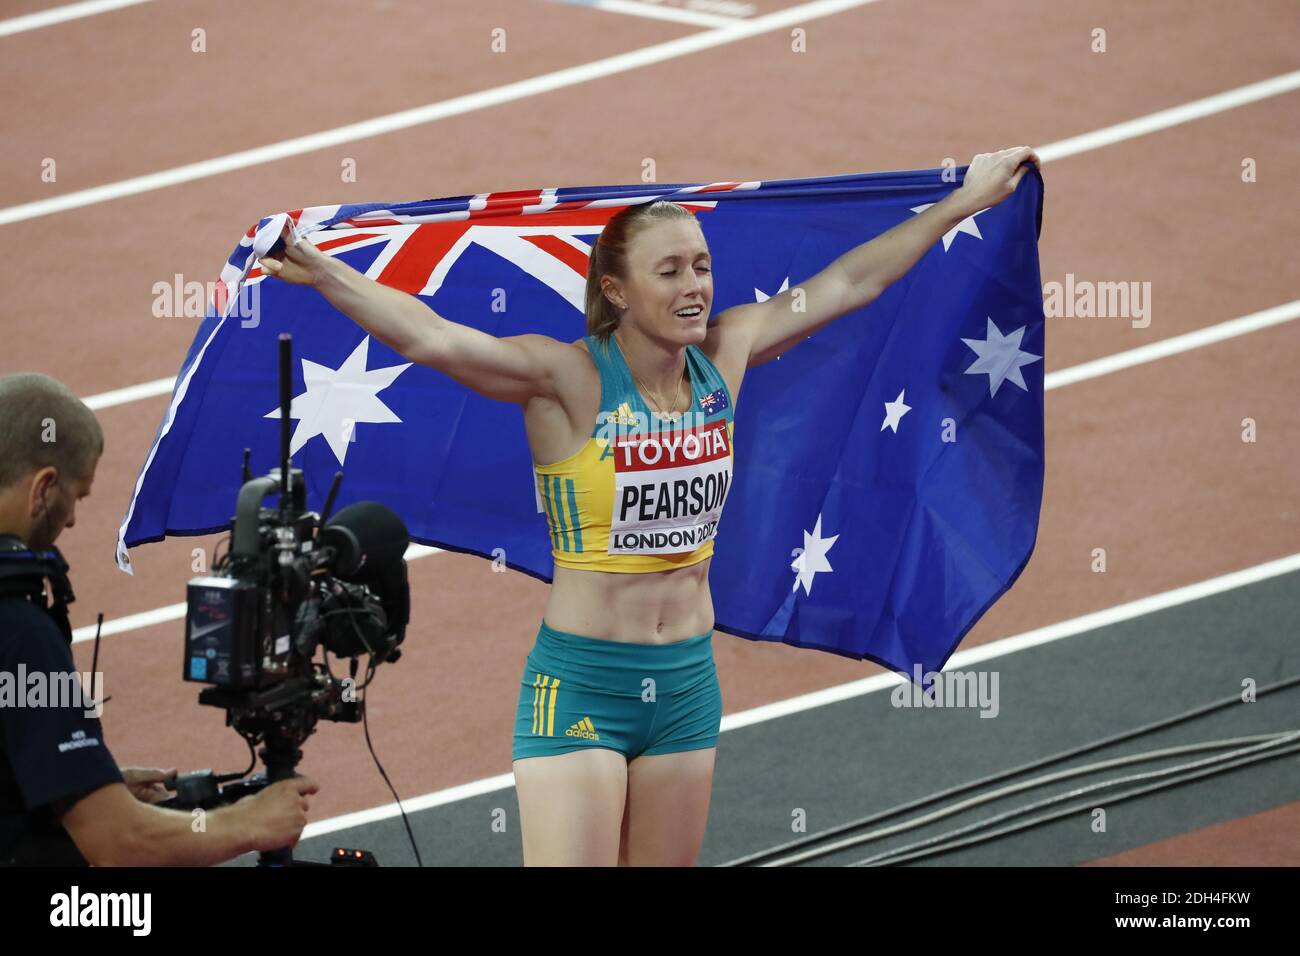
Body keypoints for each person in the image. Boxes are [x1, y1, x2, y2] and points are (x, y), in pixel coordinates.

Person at [259, 147, 1041, 865]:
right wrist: (323, 271)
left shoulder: (725, 354)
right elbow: (434, 339)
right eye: (669, 272)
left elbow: (849, 283)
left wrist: (963, 202)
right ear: (616, 290)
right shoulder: (567, 380)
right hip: (584, 687)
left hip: (686, 685)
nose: (695, 286)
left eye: (701, 267)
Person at [0, 372, 319, 866]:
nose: (72, 521)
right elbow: (118, 844)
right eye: (77, 497)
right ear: (43, 486)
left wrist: (76, 781)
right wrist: (248, 822)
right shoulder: (21, 630)